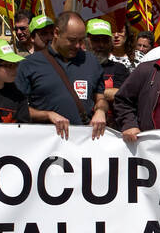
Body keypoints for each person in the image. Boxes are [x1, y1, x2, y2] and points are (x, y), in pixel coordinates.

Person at [15, 11, 108, 140]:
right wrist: (47, 115)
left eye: (81, 40)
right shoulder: (30, 65)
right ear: (56, 33)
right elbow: (17, 109)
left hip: (85, 143)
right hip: (46, 144)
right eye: (72, 40)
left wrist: (101, 111)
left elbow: (100, 99)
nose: (77, 46)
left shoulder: (91, 61)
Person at [86, 17, 130, 125]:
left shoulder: (119, 68)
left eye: (105, 40)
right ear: (86, 41)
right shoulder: (75, 66)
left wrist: (85, 92)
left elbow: (120, 94)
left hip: (110, 131)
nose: (101, 45)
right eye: (96, 40)